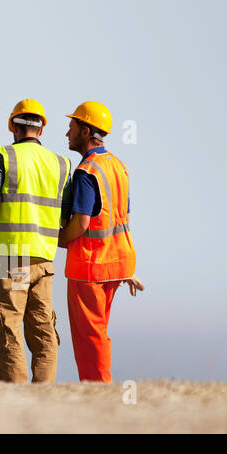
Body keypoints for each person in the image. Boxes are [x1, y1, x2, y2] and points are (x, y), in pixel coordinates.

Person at [0, 98, 70, 382]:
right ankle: (44, 393)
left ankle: (16, 394)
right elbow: (64, 215)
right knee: (43, 331)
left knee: (8, 327)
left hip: (11, 259)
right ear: (41, 129)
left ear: (13, 127)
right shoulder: (61, 163)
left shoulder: (4, 155)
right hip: (45, 260)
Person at [59, 101, 140, 382]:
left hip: (91, 266)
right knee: (99, 329)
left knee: (89, 335)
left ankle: (98, 389)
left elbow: (81, 223)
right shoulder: (118, 166)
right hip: (118, 262)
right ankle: (100, 386)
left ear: (85, 131)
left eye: (71, 128)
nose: (67, 134)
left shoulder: (86, 171)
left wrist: (57, 239)